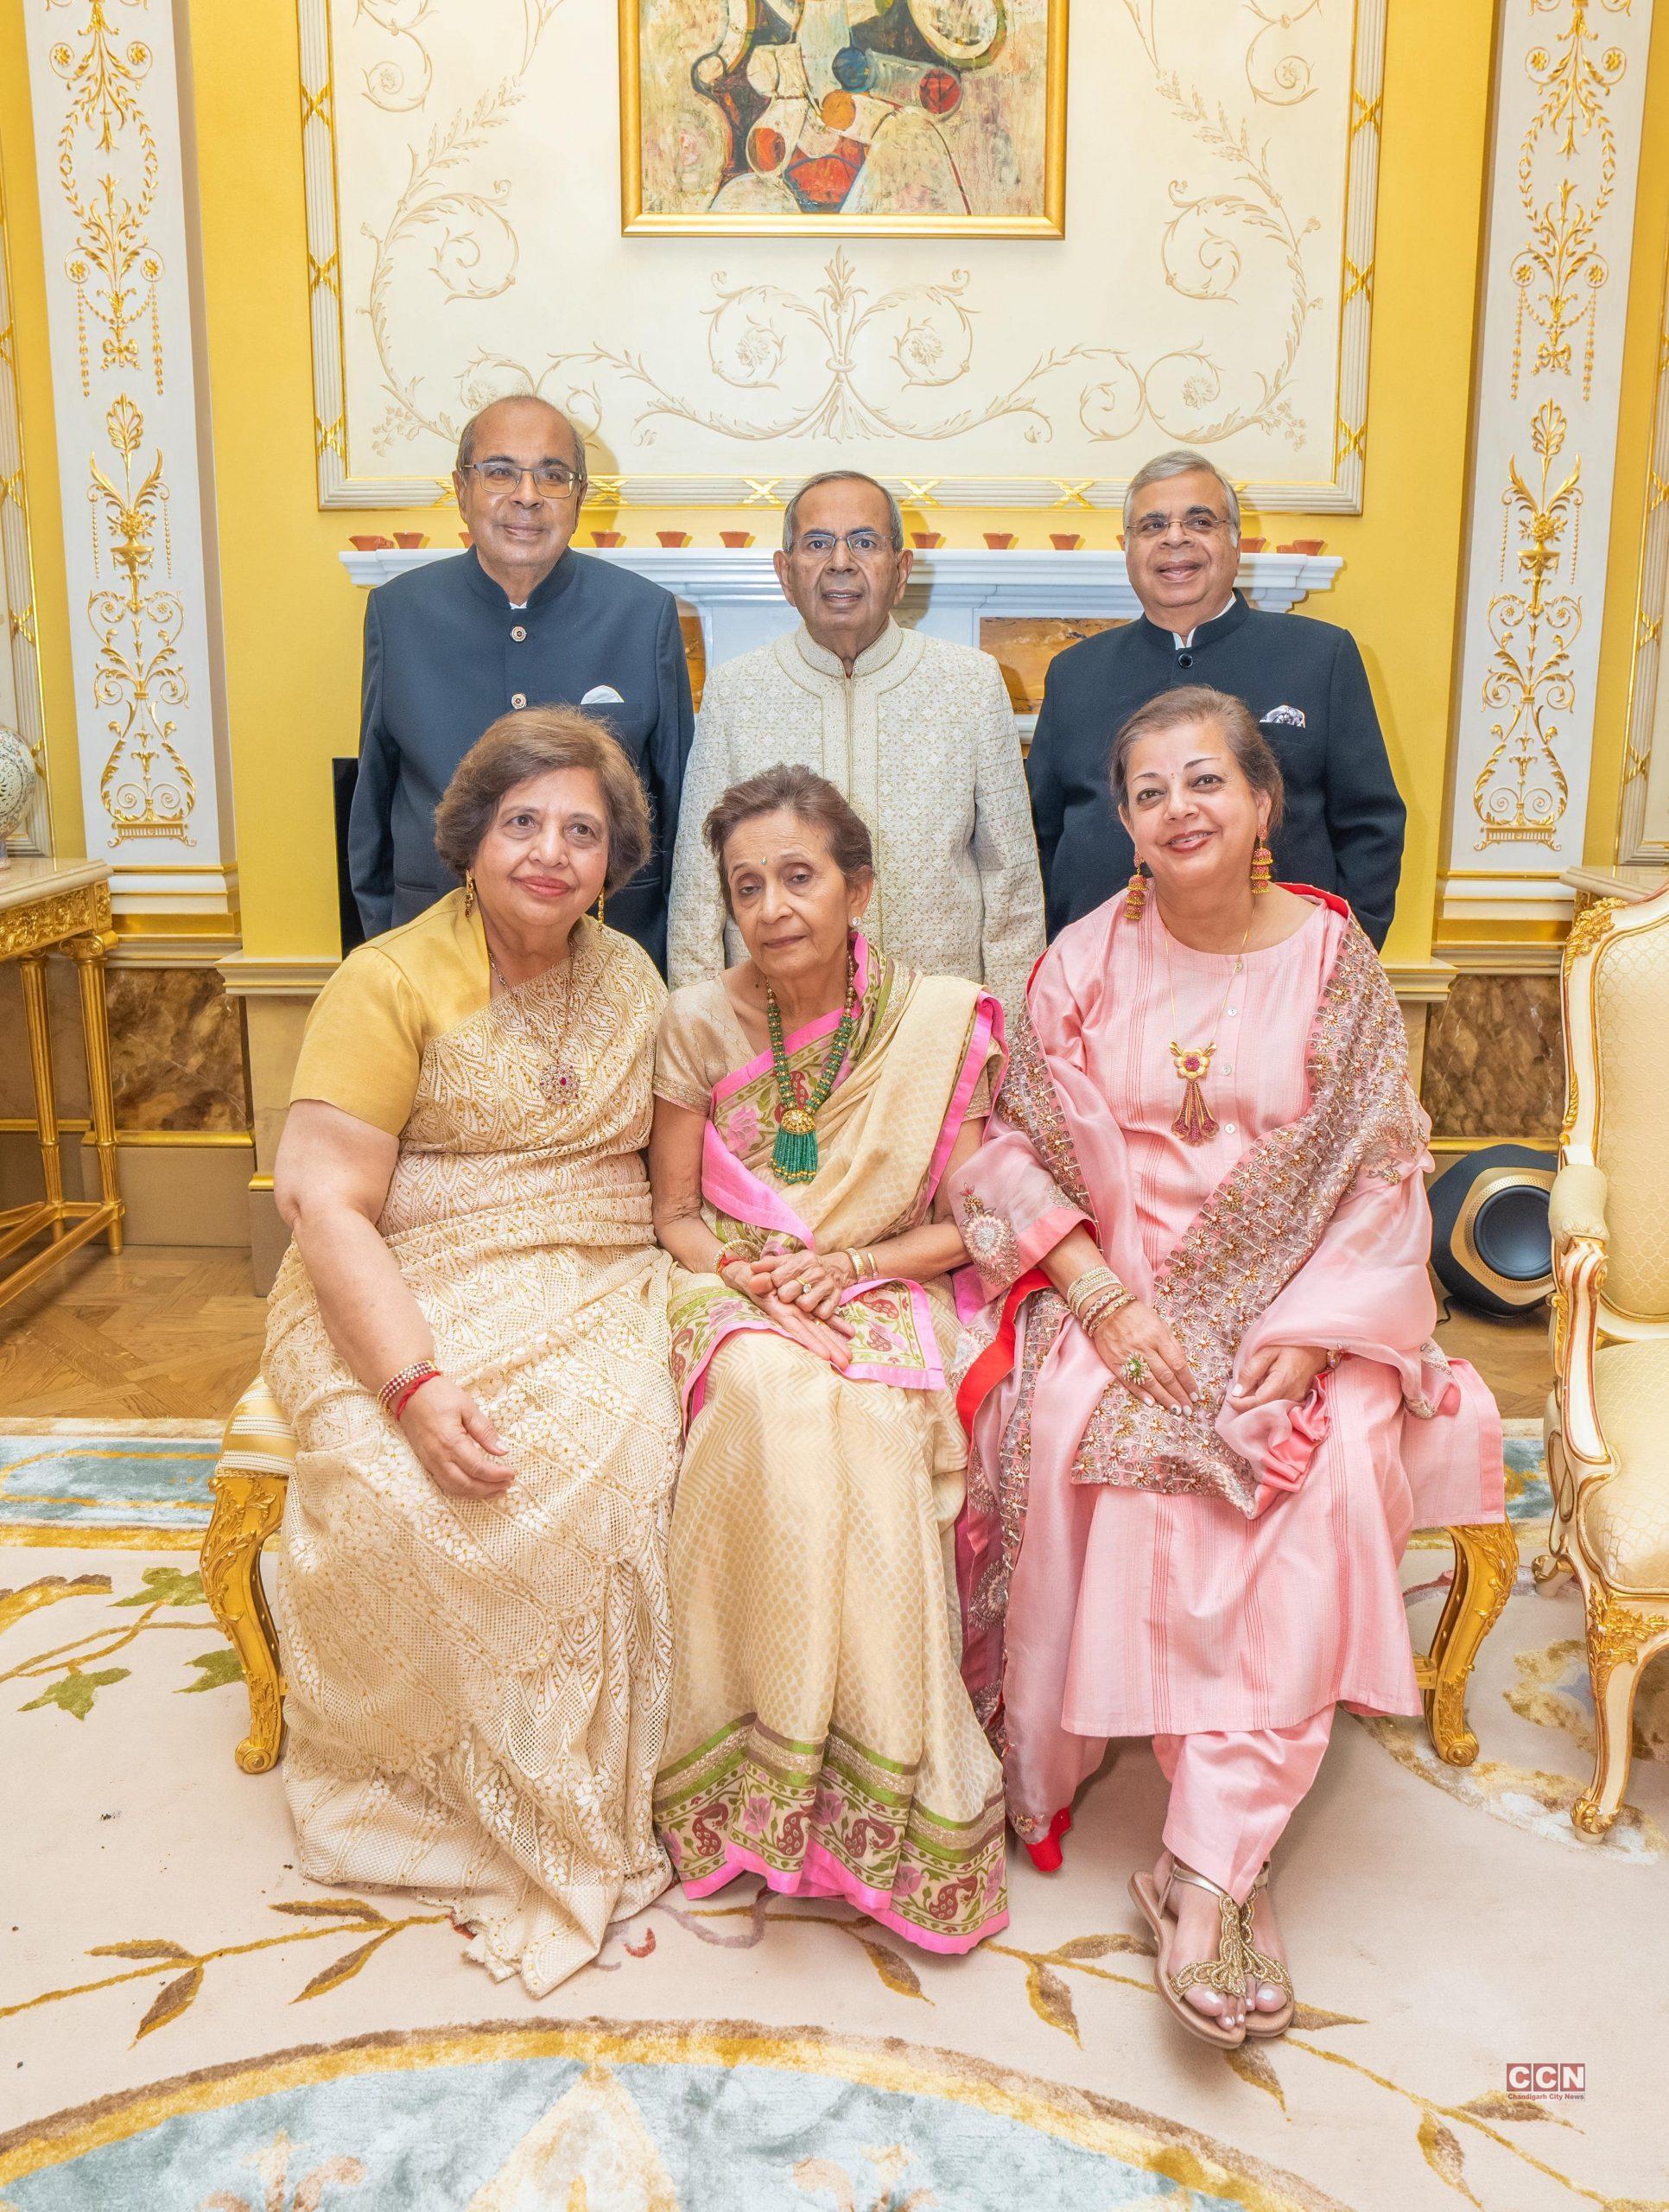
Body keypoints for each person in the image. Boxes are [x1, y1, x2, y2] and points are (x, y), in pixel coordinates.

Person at [949, 686, 1501, 2044]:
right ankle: (1204, 1853)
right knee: (1088, 1415)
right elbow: (1002, 1149)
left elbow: (1382, 1164)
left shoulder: (1329, 956)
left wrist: (1311, 1332)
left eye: (1208, 782)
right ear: (1124, 823)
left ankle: (1207, 1863)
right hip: (1122, 1289)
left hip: (1309, 1293)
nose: (1178, 809)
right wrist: (1089, 1289)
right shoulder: (1082, 961)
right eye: (1148, 792)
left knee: (1325, 1457)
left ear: (1264, 806)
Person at [266, 709, 682, 1996]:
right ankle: (426, 1783)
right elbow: (324, 1204)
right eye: (524, 823)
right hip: (396, 1283)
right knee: (392, 1488)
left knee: (600, 1472)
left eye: (583, 830)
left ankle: (580, 1777)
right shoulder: (386, 978)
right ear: (471, 840)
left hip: (593, 1270)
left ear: (612, 862)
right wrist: (413, 1383)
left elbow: (663, 1190)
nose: (551, 852)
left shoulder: (634, 983)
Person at [650, 765, 1009, 1954]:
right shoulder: (697, 1023)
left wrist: (857, 1271)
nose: (773, 906)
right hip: (737, 1288)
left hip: (885, 1280)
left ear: (858, 885)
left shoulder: (940, 1018)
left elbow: (970, 1223)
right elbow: (675, 1219)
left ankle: (870, 1796)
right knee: (767, 1394)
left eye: (799, 876)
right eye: (747, 885)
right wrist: (750, 1278)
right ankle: (741, 1796)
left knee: (866, 1424)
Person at [665, 470, 1044, 1019]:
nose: (840, 561)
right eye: (817, 543)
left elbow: (1013, 886)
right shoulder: (737, 692)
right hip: (775, 1025)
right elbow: (700, 889)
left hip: (937, 1025)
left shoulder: (970, 683)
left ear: (901, 570)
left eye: (865, 542)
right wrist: (705, 1035)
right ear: (784, 572)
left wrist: (1006, 1043)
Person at [348, 394, 693, 969]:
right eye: (501, 472)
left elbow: (679, 814)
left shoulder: (642, 614)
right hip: (436, 956)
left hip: (606, 959)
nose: (527, 496)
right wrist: (383, 955)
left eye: (552, 475)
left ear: (579, 497)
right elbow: (372, 812)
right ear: (461, 489)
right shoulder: (398, 614)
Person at [1026, 448, 1406, 948]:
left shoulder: (1320, 655)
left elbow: (1371, 825)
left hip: (1279, 971)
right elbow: (1037, 836)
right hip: (1106, 975)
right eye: (1152, 525)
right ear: (1126, 548)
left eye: (1199, 521)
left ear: (1235, 543)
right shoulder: (1075, 673)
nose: (1174, 538)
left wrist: (1344, 955)